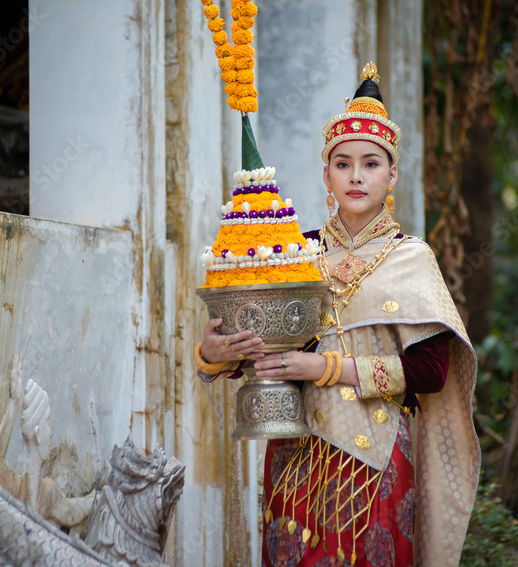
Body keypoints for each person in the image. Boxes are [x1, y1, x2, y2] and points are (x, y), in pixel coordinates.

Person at [198, 63, 480, 566]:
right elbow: (258, 345)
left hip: (376, 457)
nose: (356, 176)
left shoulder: (411, 257)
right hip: (296, 450)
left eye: (371, 164)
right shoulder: (293, 252)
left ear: (391, 174)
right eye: (343, 163)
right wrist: (214, 354)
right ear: (326, 173)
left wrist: (325, 368)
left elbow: (431, 373)